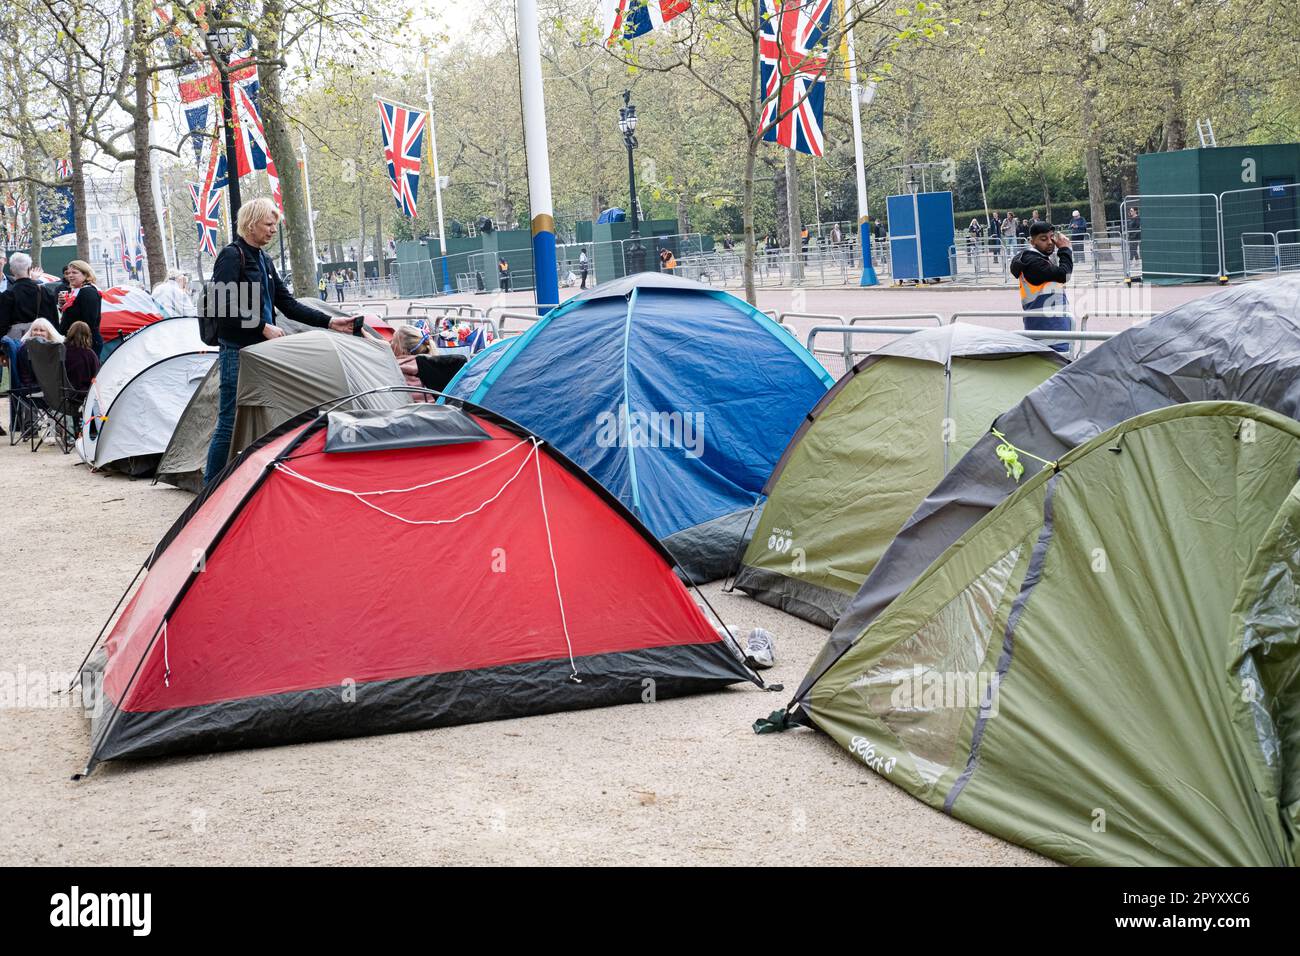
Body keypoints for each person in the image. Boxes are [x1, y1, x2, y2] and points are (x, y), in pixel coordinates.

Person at [204, 196, 356, 484]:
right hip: (238, 350)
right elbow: (220, 303)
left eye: (275, 225)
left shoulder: (263, 258)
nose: (274, 230)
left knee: (270, 410)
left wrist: (329, 321)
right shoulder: (231, 255)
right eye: (269, 224)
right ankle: (210, 486)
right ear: (251, 224)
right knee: (228, 419)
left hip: (265, 350)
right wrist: (262, 327)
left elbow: (287, 303)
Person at [1009, 220, 1073, 353]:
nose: (1050, 242)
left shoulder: (1037, 259)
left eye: (1051, 237)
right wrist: (1065, 250)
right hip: (1050, 331)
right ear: (1032, 242)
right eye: (1043, 239)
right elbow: (1064, 275)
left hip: (1047, 327)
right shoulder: (1034, 263)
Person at [0, 251, 57, 339]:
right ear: (29, 269)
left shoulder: (7, 295)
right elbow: (54, 319)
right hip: (43, 338)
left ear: (11, 270)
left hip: (16, 340)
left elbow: (2, 324)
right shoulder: (45, 291)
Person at [55, 260, 103, 355]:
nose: (70, 276)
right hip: (77, 342)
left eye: (74, 273)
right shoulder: (77, 291)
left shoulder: (88, 292)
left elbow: (89, 321)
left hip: (83, 343)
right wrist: (63, 305)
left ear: (86, 275)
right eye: (68, 273)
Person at [16, 318, 64, 388]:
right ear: (31, 332)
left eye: (42, 330)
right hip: (32, 387)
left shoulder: (54, 348)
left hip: (50, 386)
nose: (38, 333)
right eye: (35, 330)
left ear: (49, 333)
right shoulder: (25, 349)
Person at [63, 320, 99, 393]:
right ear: (88, 335)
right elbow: (96, 377)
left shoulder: (60, 350)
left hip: (62, 392)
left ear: (70, 333)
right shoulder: (91, 355)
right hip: (81, 394)